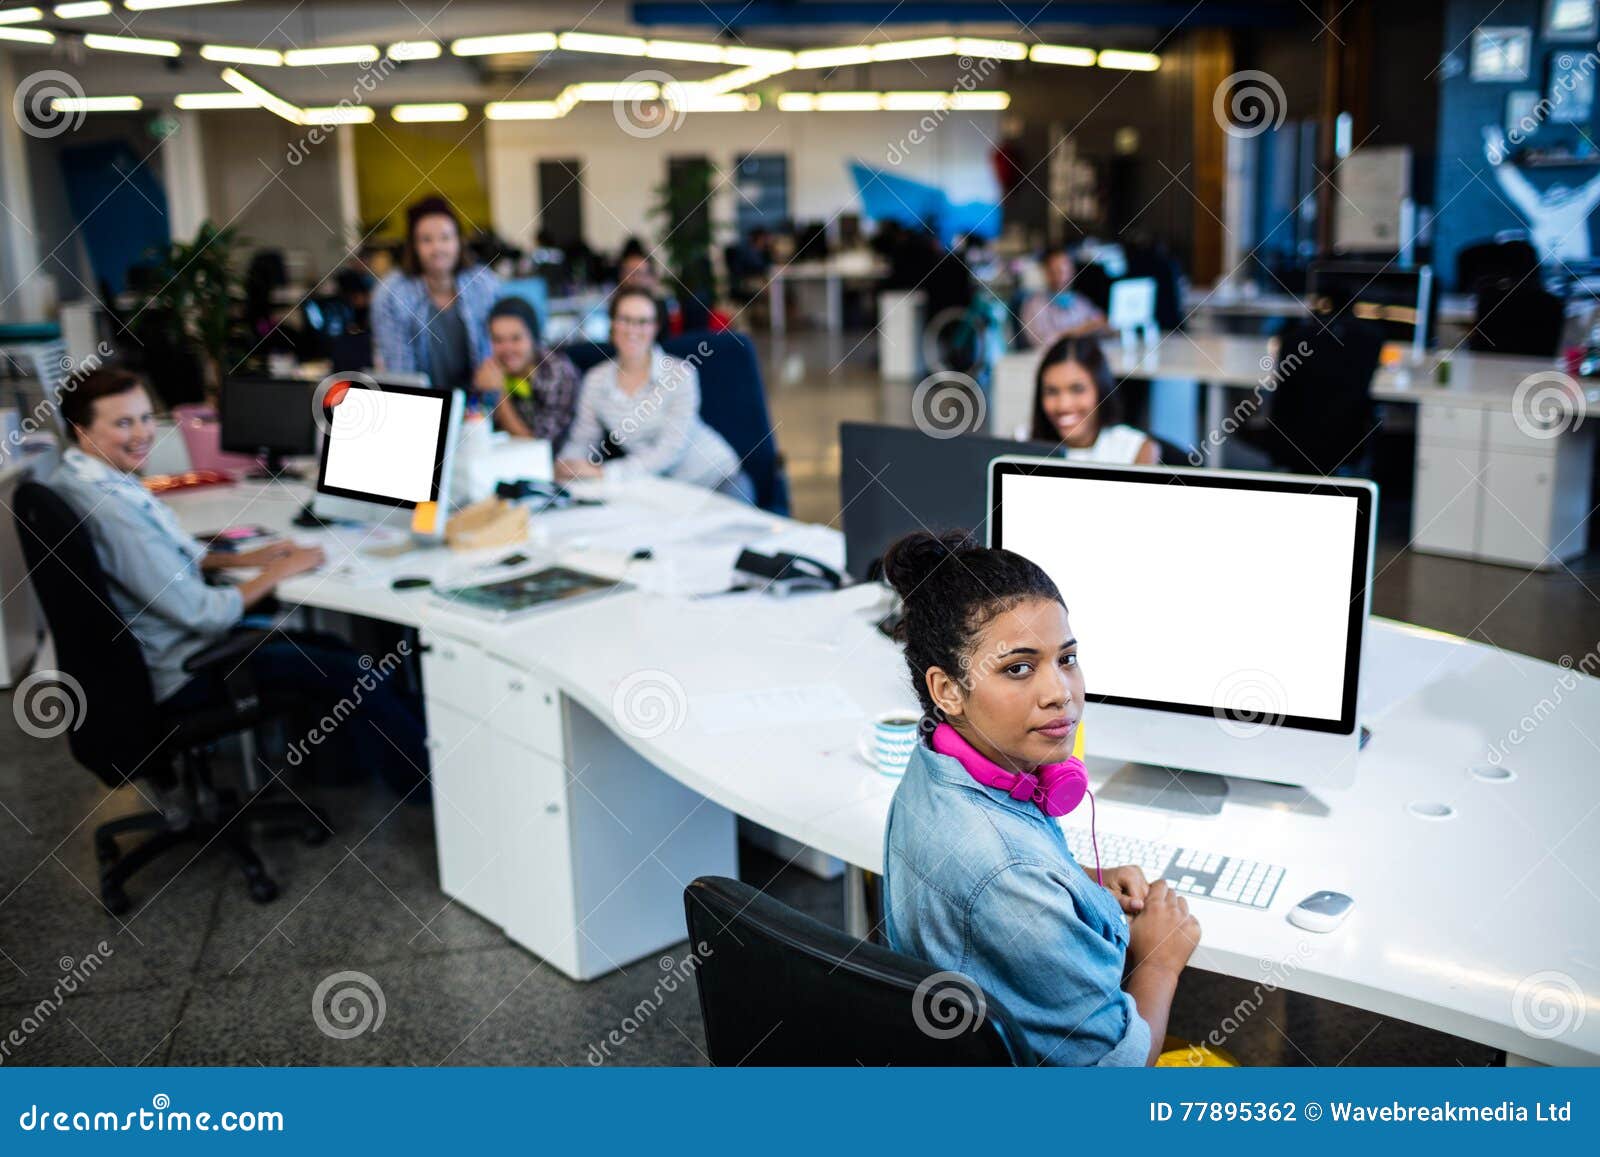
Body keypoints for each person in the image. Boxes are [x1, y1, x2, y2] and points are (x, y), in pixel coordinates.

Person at [879, 530, 1203, 1066]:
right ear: (947, 690)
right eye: (1018, 668)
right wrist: (1158, 962)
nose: (1060, 693)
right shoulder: (1007, 873)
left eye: (1067, 659)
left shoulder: (936, 762)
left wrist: (1075, 878)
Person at [49, 369, 429, 802]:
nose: (142, 434)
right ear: (81, 429)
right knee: (350, 667)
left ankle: (359, 767)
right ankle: (426, 787)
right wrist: (278, 572)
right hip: (184, 667)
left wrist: (241, 559)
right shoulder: (111, 509)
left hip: (148, 659)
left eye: (145, 418)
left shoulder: (77, 482)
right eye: (122, 423)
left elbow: (157, 559)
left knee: (334, 650)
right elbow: (201, 611)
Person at [555, 287, 752, 499]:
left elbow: (669, 451)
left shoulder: (680, 374)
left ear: (655, 327)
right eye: (624, 319)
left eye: (643, 321)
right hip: (659, 490)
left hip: (715, 480)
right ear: (612, 323)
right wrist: (567, 467)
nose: (632, 330)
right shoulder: (596, 380)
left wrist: (604, 472)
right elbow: (583, 438)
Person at [371, 196, 500, 396]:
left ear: (458, 241)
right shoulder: (390, 295)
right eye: (426, 240)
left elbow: (499, 349)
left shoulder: (484, 283)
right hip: (421, 407)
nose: (437, 248)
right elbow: (399, 373)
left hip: (481, 405)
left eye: (445, 237)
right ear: (413, 246)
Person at [1030, 335, 1160, 464]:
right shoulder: (1021, 442)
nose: (1064, 405)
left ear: (1101, 390)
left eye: (1077, 389)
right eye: (1052, 392)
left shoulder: (1136, 449)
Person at [475, 297, 581, 445]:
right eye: (498, 340)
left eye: (516, 338)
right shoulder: (490, 372)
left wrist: (499, 395)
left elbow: (538, 447)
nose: (507, 349)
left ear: (534, 338)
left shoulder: (557, 372)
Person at [1020, 245, 1108, 347]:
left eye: (1065, 270)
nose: (1062, 276)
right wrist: (1078, 331)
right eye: (1056, 271)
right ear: (1046, 273)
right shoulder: (1034, 305)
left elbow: (1099, 322)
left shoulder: (1079, 301)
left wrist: (1104, 326)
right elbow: (1041, 342)